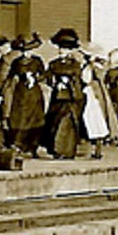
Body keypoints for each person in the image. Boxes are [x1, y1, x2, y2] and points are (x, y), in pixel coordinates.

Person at [43, 28, 86, 159]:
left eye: (66, 49)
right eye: (61, 48)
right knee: (54, 123)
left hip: (70, 98)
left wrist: (68, 81)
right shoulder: (53, 64)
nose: (62, 51)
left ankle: (66, 150)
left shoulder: (75, 64)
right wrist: (55, 82)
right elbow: (48, 77)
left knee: (68, 123)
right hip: (57, 98)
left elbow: (78, 79)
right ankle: (56, 149)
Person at [3, 37, 47, 157]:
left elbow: (44, 75)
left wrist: (35, 78)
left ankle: (34, 146)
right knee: (20, 118)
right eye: (24, 51)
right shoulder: (17, 62)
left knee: (35, 118)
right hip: (21, 93)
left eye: (29, 51)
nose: (26, 53)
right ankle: (19, 145)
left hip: (34, 93)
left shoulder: (37, 61)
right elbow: (10, 77)